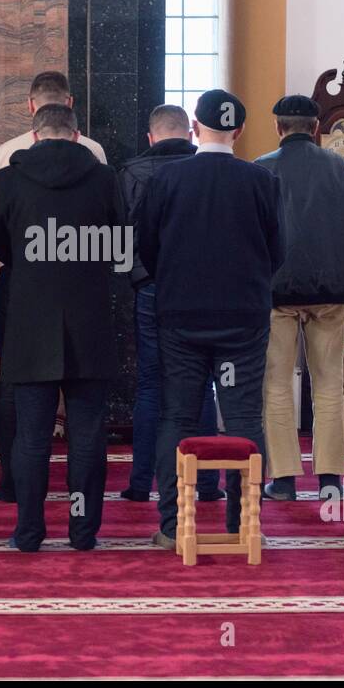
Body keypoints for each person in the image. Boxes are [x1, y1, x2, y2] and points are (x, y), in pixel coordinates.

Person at [139, 89, 283, 549]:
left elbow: (147, 247)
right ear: (239, 131)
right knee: (243, 417)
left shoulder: (168, 179)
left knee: (177, 416)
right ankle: (244, 524)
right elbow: (277, 251)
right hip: (243, 318)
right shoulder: (261, 180)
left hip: (180, 316)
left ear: (195, 128)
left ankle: (171, 525)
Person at [0, 103, 123, 551]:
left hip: (30, 319)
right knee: (87, 437)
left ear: (34, 134)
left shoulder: (10, 177)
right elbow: (120, 244)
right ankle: (83, 531)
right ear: (77, 134)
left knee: (31, 437)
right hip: (89, 318)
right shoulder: (104, 177)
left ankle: (28, 532)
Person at [256, 94, 344, 500]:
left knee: (277, 384)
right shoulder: (341, 168)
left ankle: (284, 479)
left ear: (278, 127)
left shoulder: (262, 168)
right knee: (328, 385)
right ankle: (330, 481)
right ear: (317, 128)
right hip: (331, 291)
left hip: (277, 292)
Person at [117, 104, 222, 503]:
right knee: (203, 383)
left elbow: (122, 235)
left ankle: (141, 482)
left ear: (150, 137)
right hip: (201, 288)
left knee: (150, 384)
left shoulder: (131, 173)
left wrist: (137, 277)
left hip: (151, 287)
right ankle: (209, 484)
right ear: (191, 133)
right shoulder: (208, 170)